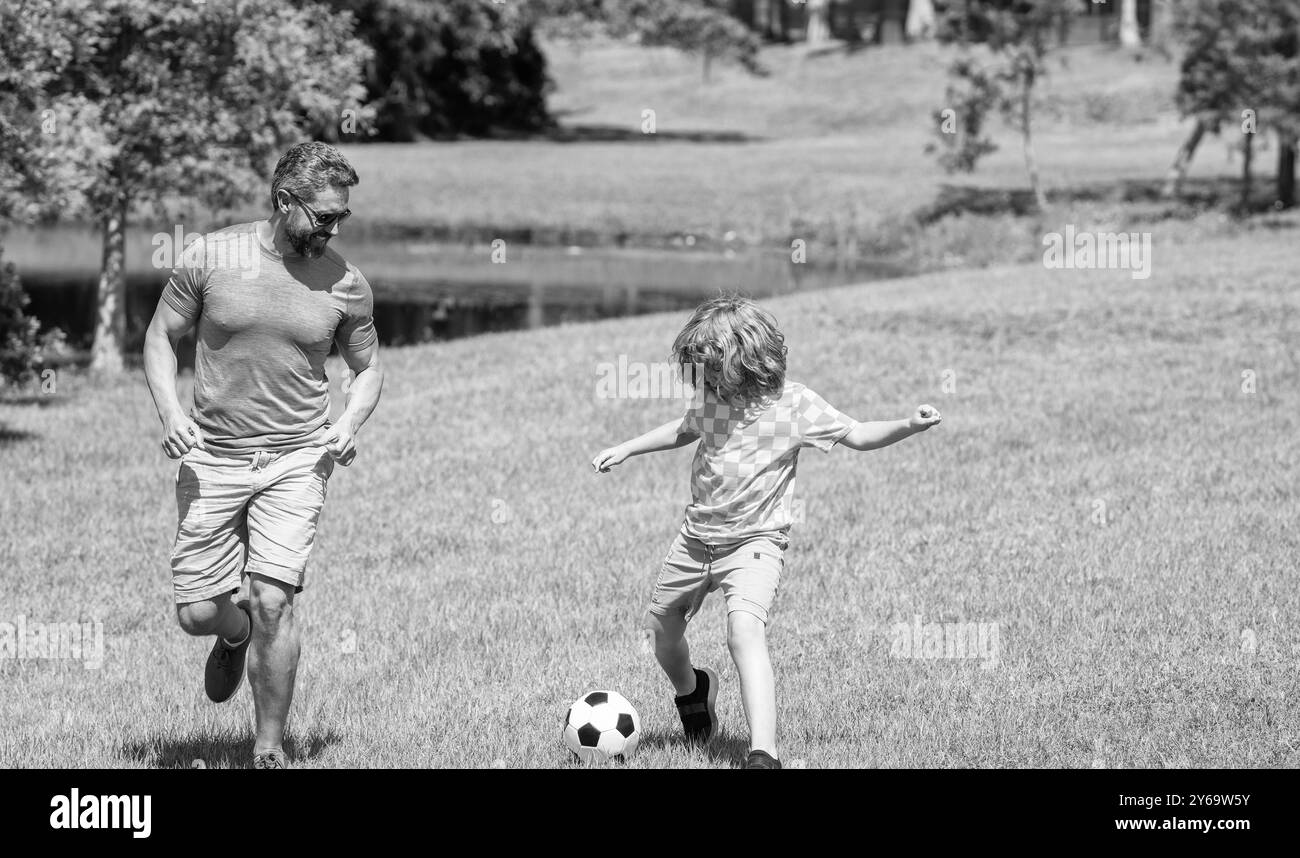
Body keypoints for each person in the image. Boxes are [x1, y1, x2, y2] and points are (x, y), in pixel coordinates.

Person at [591, 294, 940, 769]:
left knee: (744, 633)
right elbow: (685, 429)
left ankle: (763, 753)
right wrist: (627, 448)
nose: (705, 382)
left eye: (712, 371)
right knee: (661, 631)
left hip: (756, 543)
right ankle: (693, 692)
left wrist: (908, 424)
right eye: (702, 373)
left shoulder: (794, 405)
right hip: (697, 539)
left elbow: (857, 435)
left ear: (744, 362)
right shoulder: (714, 400)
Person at [143, 142, 384, 769]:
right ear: (284, 202)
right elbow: (161, 336)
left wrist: (350, 420)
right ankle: (232, 629)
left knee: (275, 598)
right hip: (214, 453)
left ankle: (269, 748)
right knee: (196, 613)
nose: (333, 229)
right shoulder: (211, 256)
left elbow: (368, 368)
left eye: (341, 219)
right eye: (324, 217)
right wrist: (171, 411)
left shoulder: (345, 283)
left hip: (297, 458)